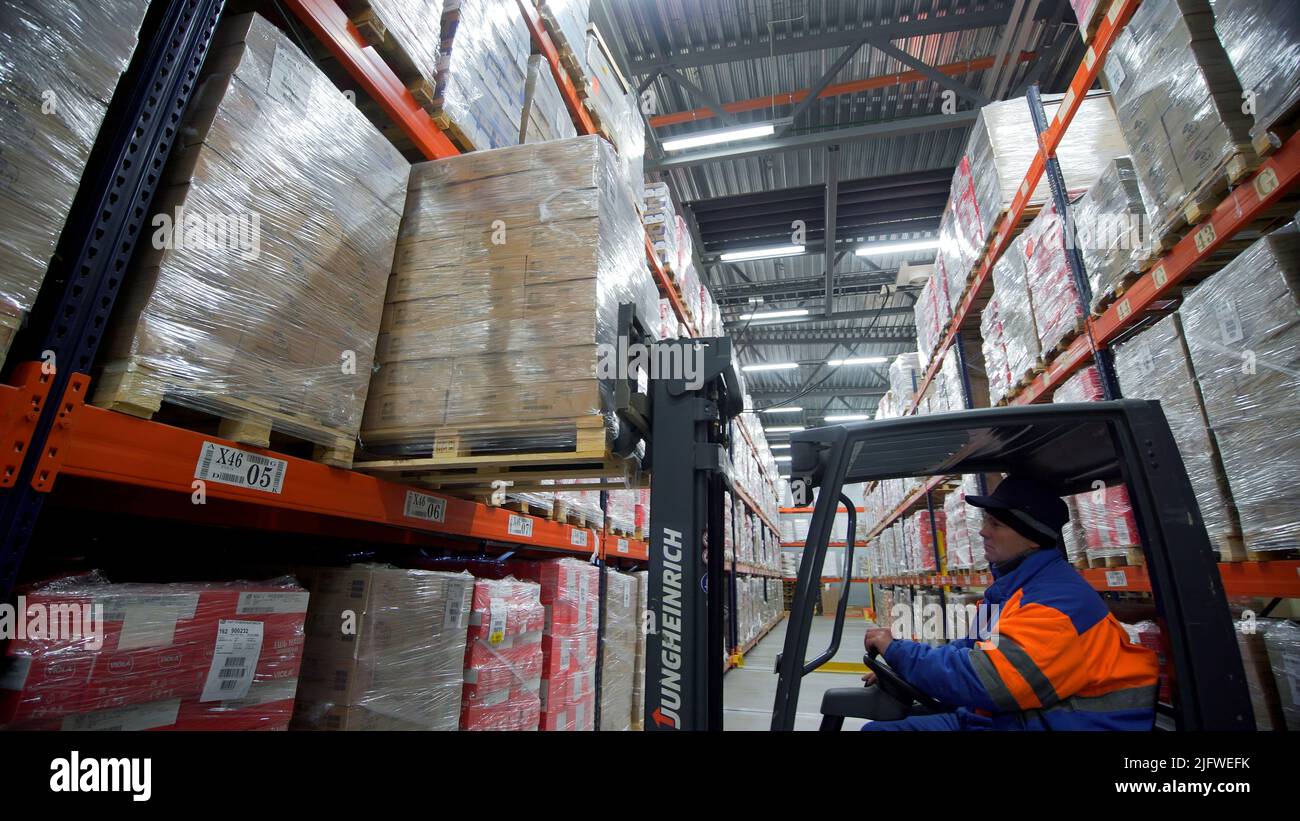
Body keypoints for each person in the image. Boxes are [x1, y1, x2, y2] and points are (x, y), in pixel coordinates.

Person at [860, 477, 1159, 731]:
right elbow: (968, 649)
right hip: (1010, 718)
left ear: (1032, 539)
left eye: (996, 524)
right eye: (986, 522)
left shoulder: (1057, 601)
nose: (983, 531)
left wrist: (900, 651)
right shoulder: (1006, 592)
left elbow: (989, 681)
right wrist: (905, 670)